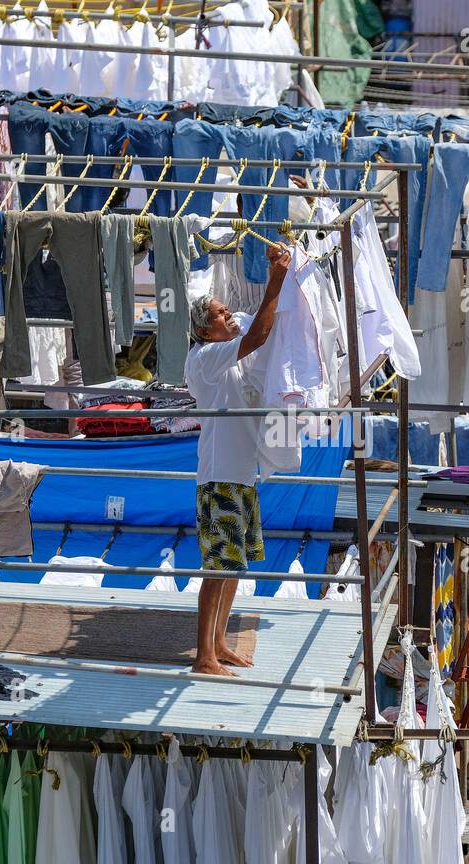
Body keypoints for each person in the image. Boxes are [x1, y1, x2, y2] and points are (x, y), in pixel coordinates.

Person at [183, 243, 292, 676]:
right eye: (220, 315)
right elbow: (259, 335)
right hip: (220, 477)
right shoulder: (206, 358)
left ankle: (220, 643)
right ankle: (202, 656)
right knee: (217, 567)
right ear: (206, 331)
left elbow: (259, 329)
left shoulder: (224, 356)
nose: (229, 316)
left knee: (233, 566)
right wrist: (277, 279)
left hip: (241, 475)